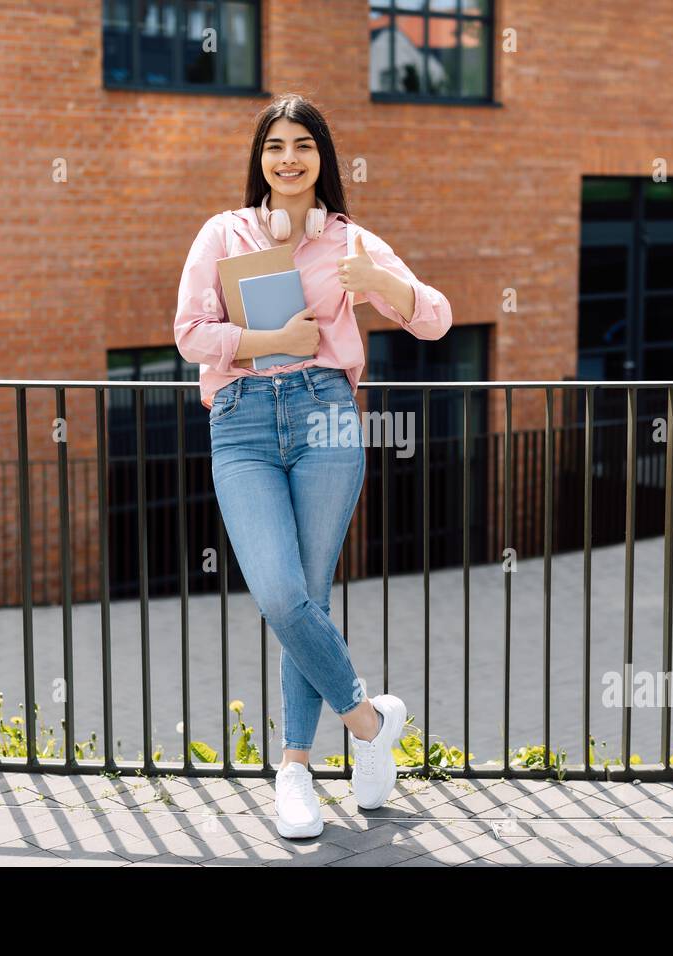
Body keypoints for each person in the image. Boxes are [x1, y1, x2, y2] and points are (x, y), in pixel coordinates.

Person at [173, 93, 453, 838]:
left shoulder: (350, 240)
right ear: (258, 159)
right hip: (241, 425)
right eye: (275, 146)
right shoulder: (224, 232)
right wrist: (269, 344)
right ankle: (370, 722)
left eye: (303, 145)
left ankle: (293, 768)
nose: (288, 158)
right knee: (279, 591)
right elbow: (189, 334)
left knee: (310, 596)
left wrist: (388, 288)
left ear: (322, 157)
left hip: (326, 415)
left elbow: (435, 318)